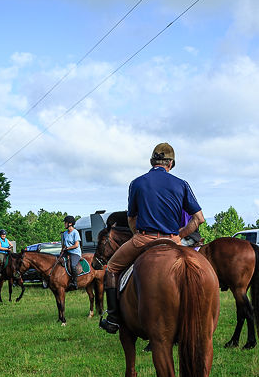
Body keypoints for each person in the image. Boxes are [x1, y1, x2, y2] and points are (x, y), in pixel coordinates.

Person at [99, 142, 205, 333]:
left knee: (112, 268)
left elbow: (132, 218)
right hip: (173, 240)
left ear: (151, 161)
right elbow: (199, 219)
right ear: (171, 164)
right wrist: (178, 235)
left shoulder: (137, 183)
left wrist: (137, 234)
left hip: (144, 238)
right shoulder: (181, 184)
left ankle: (113, 318)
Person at [61, 216, 82, 290]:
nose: (64, 224)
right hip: (67, 252)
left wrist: (68, 248)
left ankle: (74, 283)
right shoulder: (65, 233)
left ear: (70, 223)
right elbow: (63, 244)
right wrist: (62, 251)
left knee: (73, 265)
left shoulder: (75, 232)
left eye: (65, 223)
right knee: (58, 262)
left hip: (75, 253)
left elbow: (76, 245)